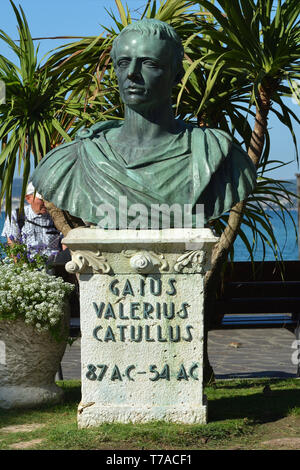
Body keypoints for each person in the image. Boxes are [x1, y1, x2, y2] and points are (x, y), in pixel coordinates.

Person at [32, 19, 256, 228]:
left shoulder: (220, 157)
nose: (132, 73)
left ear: (177, 75)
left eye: (149, 63)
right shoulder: (72, 161)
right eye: (123, 63)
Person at [1, 181, 62, 259]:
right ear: (28, 198)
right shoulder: (16, 215)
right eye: (42, 199)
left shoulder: (57, 215)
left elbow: (66, 244)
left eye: (48, 198)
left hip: (55, 264)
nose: (46, 203)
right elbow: (12, 246)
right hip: (29, 265)